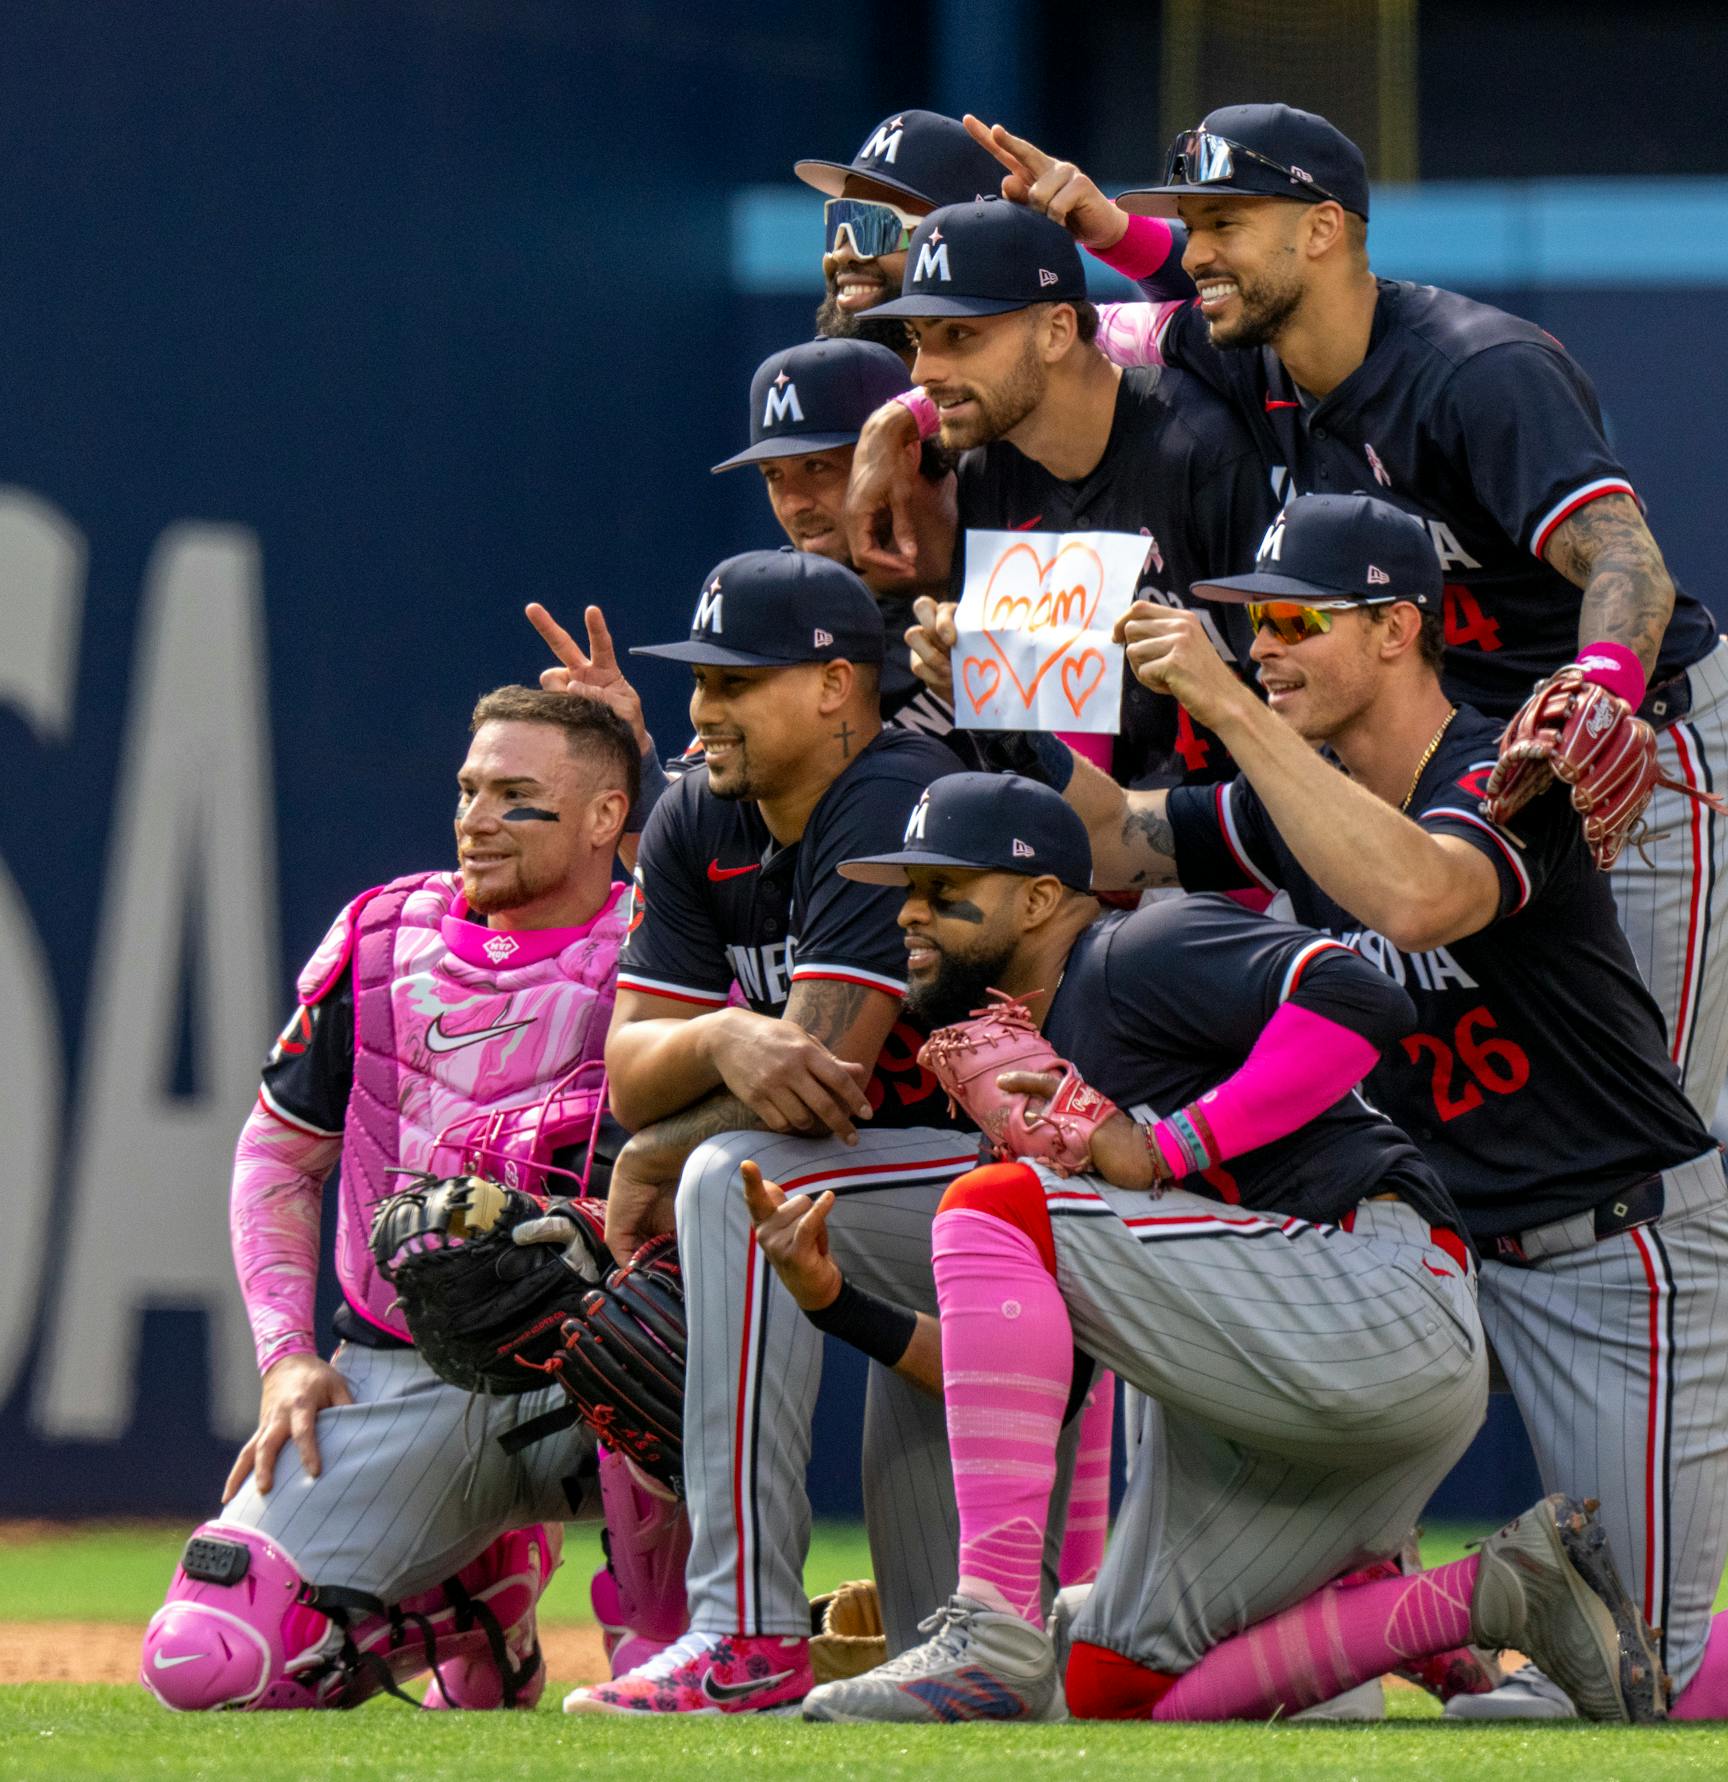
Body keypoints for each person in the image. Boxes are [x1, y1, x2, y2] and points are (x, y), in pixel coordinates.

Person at [854, 117, 1728, 1599]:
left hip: (1617, 756)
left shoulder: (1447, 372)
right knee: (1447, 1164)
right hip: (1343, 795)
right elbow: (1094, 787)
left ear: (1325, 231)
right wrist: (1069, 259)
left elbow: (1627, 559)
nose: (920, 355)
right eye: (905, 328)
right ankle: (1671, 1528)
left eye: (951, 319)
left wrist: (1599, 685)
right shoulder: (1118, 426)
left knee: (1603, 1164)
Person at [1034, 491, 1728, 1719]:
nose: (1265, 647)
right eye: (1251, 627)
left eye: (1295, 620)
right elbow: (1109, 846)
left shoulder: (1515, 764)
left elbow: (1417, 899)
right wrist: (1008, 705)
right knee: (1173, 1632)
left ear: (1400, 630)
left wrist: (1228, 709)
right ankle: (1434, 1612)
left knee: (1649, 1680)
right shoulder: (1301, 803)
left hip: (1622, 1260)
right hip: (1441, 1269)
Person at [766, 772, 1662, 1726]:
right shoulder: (1033, 1065)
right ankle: (1489, 1597)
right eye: (905, 888)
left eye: (942, 889)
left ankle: (990, 1631)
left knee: (987, 1203)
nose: (909, 913)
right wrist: (834, 1303)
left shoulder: (1134, 948)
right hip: (1280, 1395)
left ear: (1036, 899)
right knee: (1114, 1684)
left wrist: (1167, 1146)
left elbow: (1360, 997)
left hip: (1381, 1296)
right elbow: (1041, 1383)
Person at [563, 549, 1097, 1715]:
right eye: (700, 682)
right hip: (897, 1198)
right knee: (936, 1657)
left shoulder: (892, 793)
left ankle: (744, 1631)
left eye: (736, 681)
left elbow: (827, 1071)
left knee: (722, 1178)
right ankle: (813, 1635)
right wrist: (716, 1047)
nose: (702, 711)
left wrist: (666, 1145)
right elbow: (633, 1073)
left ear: (835, 687)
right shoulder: (698, 813)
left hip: (1030, 1192)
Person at [140, 689, 687, 1710]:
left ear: (608, 817)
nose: (477, 818)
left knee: (661, 1666)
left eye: (517, 796)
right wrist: (285, 1358)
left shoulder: (673, 953)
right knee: (209, 1658)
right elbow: (277, 1155)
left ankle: (661, 1623)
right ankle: (479, 1593)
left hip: (620, 1377)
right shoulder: (386, 935)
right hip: (403, 1372)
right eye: (469, 789)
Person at [861, 199, 1279, 788]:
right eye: (918, 338)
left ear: (1058, 330)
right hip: (1097, 849)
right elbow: (1050, 745)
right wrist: (976, 683)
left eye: (959, 335)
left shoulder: (1199, 448)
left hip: (1239, 847)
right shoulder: (988, 467)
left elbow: (1298, 716)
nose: (922, 372)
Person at [713, 336, 962, 743]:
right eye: (773, 476)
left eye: (817, 467)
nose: (792, 504)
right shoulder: (817, 615)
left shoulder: (1013, 506)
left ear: (903, 452)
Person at [792, 110, 1006, 356]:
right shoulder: (826, 391)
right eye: (841, 222)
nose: (843, 254)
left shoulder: (1024, 392)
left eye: (882, 226)